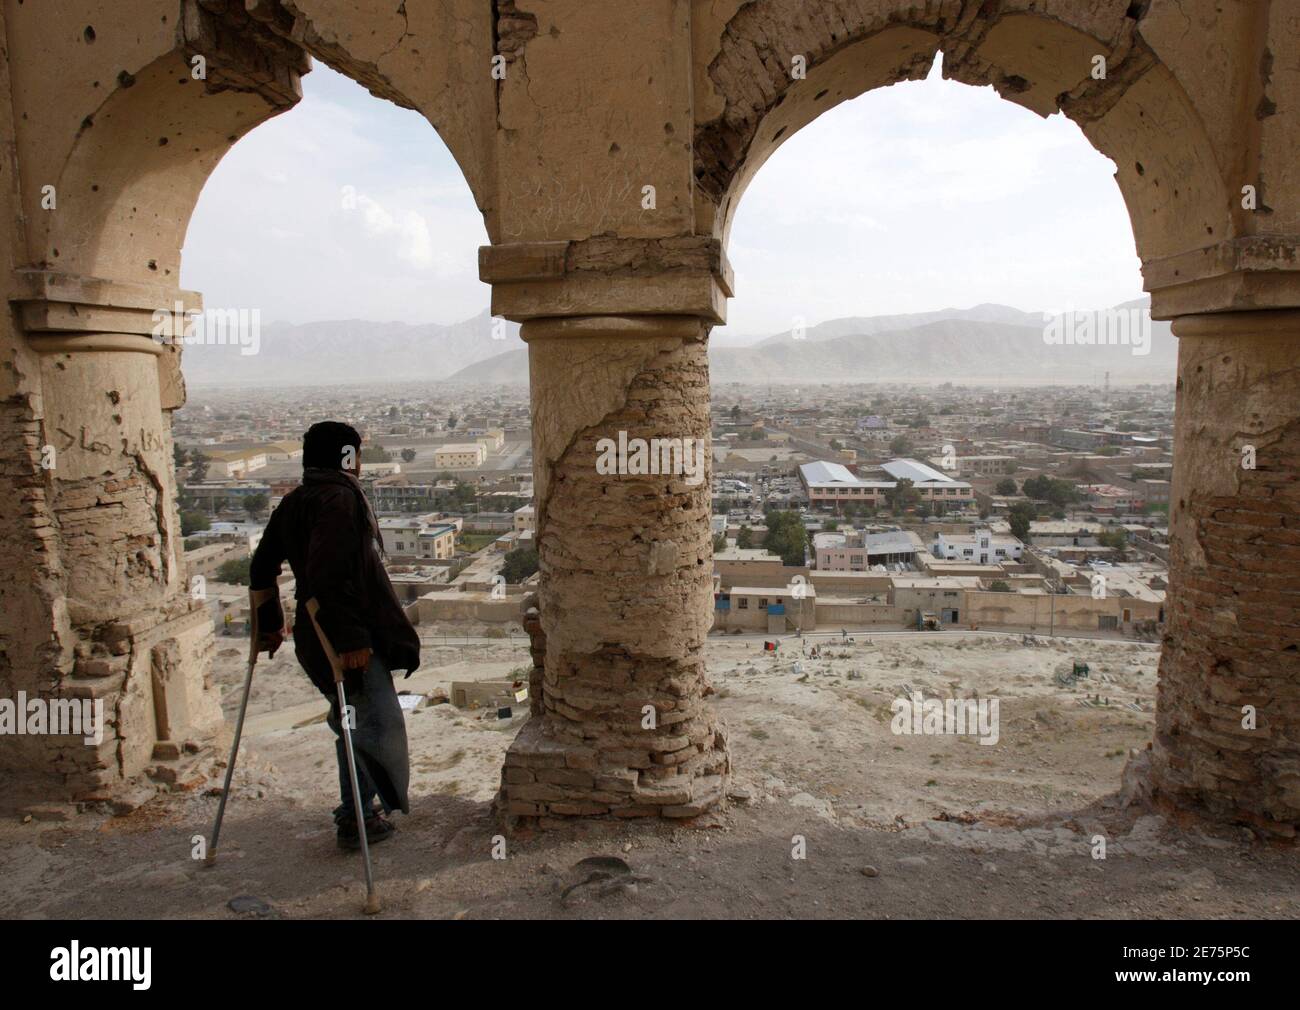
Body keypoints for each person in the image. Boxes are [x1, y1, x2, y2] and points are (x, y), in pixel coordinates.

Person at [249, 421, 420, 850]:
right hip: (340, 636)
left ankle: (358, 815)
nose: (360, 463)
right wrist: (351, 640)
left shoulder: (296, 500)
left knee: (352, 722)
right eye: (356, 454)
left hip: (312, 632)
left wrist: (268, 626)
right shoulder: (339, 499)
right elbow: (330, 573)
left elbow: (261, 566)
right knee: (372, 726)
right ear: (347, 457)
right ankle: (358, 819)